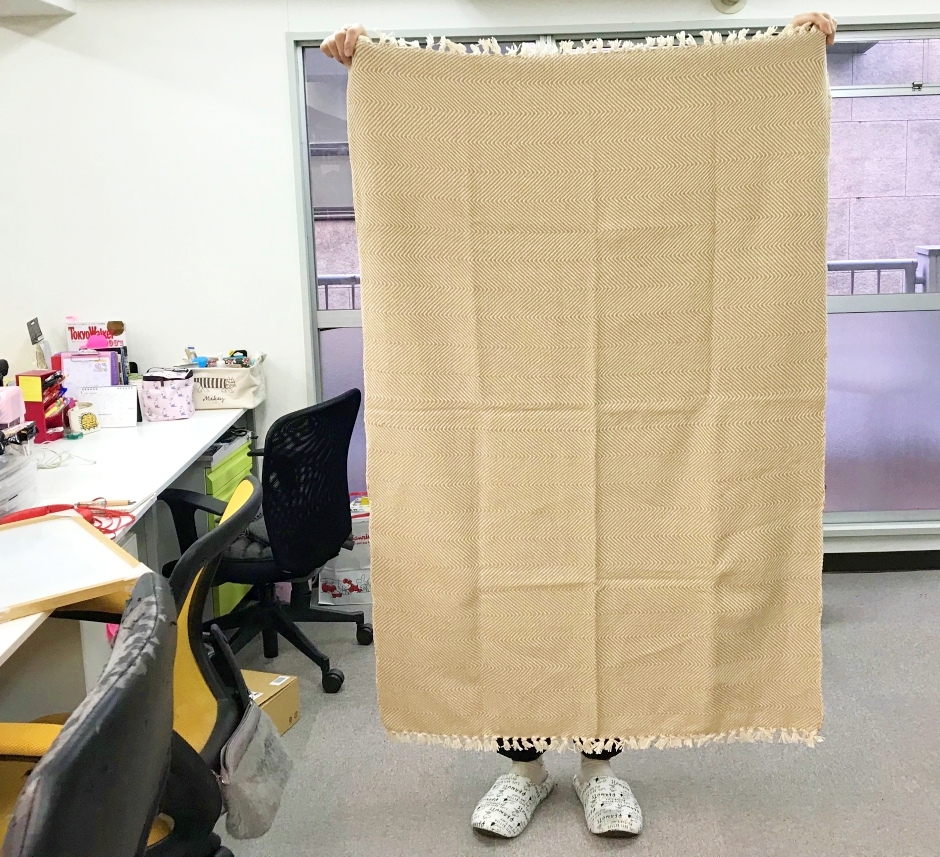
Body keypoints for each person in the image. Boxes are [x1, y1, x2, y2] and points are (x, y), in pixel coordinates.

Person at [320, 10, 837, 839]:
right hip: (505, 390)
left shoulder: (643, 127)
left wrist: (792, 51)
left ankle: (600, 765)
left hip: (637, 376)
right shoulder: (483, 149)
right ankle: (522, 765)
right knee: (508, 565)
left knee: (627, 562)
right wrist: (371, 67)